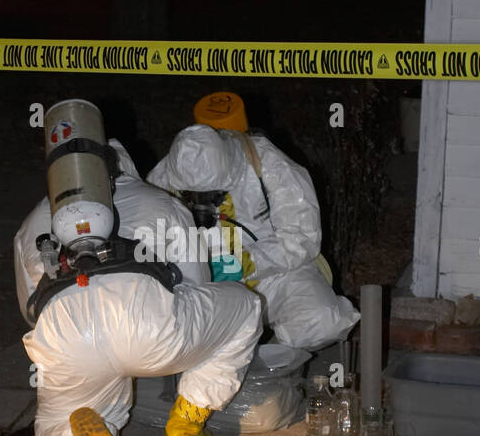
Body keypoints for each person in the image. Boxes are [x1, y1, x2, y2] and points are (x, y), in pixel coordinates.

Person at [15, 115, 262, 436]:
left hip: (65, 337)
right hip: (150, 330)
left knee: (53, 429)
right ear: (124, 165)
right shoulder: (159, 202)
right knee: (246, 306)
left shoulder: (33, 223)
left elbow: (30, 308)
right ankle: (185, 428)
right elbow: (196, 284)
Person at [147, 92, 360, 352]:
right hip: (204, 282)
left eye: (212, 195)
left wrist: (245, 263)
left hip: (274, 274)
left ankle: (278, 359)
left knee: (320, 321)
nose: (202, 203)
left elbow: (301, 237)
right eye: (192, 196)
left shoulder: (267, 165)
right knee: (158, 330)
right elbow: (149, 235)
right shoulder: (166, 174)